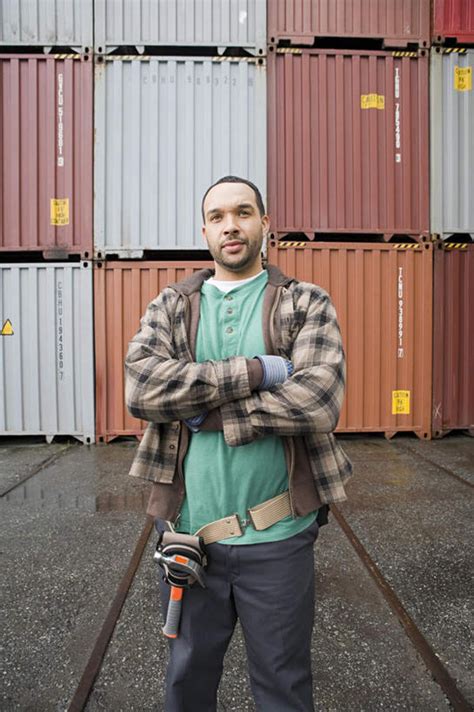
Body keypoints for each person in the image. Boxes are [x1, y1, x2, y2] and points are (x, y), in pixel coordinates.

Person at [125, 176, 353, 711]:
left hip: (279, 537)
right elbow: (141, 388)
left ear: (264, 223)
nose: (231, 225)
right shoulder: (172, 305)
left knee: (283, 685)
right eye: (218, 216)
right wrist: (255, 371)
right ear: (204, 231)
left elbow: (318, 401)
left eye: (243, 212)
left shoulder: (305, 302)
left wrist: (206, 411)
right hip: (188, 536)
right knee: (187, 681)